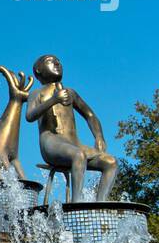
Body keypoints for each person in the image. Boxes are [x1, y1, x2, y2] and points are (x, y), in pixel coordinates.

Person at [25, 54, 117, 202]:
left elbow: (90, 115)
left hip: (74, 143)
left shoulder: (70, 93)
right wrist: (54, 100)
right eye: (50, 61)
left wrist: (99, 136)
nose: (56, 63)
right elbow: (29, 116)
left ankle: (101, 204)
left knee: (111, 162)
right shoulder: (37, 93)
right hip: (52, 143)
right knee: (78, 155)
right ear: (38, 71)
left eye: (58, 61)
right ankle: (77, 204)